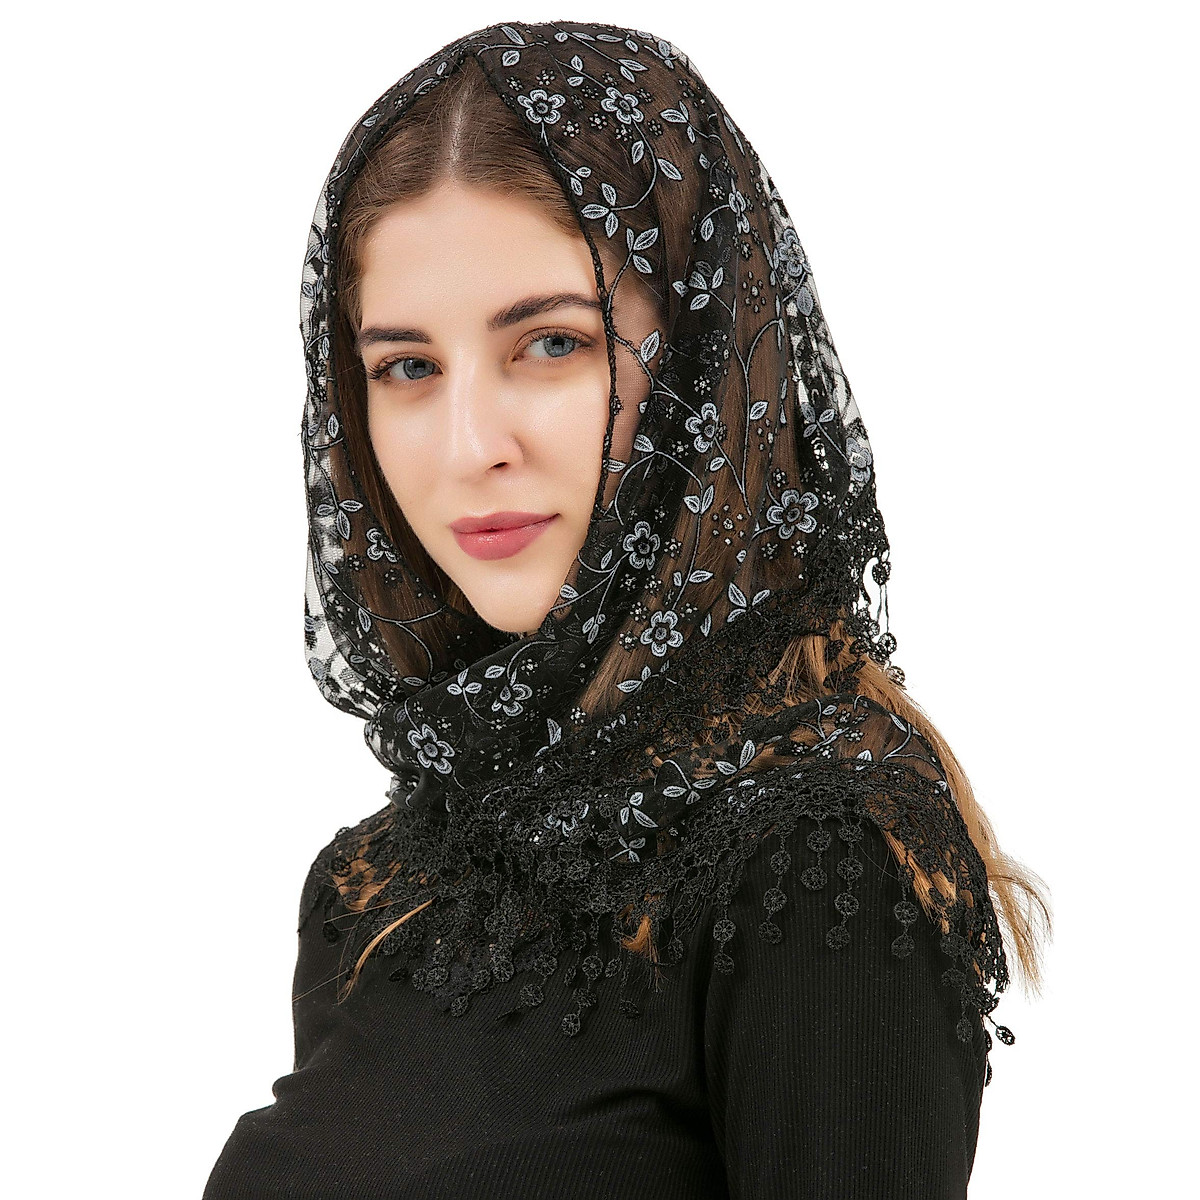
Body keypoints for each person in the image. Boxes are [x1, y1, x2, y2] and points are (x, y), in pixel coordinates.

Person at [203, 19, 1050, 1199]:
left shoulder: (813, 863)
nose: (468, 446)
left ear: (704, 363)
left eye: (551, 344)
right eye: (407, 367)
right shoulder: (373, 887)